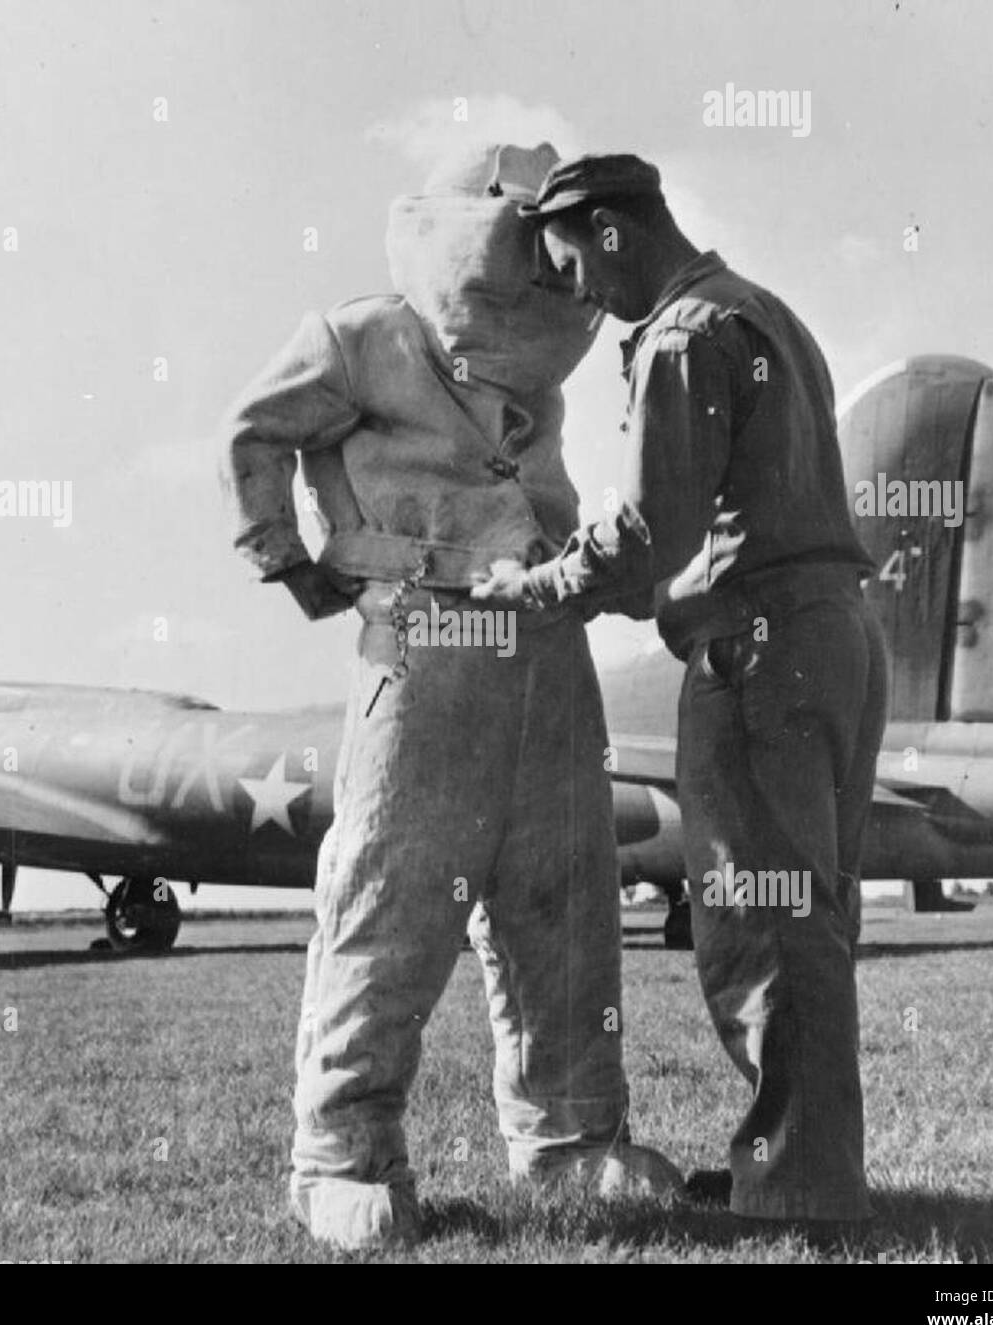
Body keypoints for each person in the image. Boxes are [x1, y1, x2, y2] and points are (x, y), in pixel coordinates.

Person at [223, 143, 680, 1252]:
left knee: (565, 890)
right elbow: (255, 430)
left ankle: (572, 1138)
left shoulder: (543, 373)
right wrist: (289, 562)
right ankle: (340, 1153)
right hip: (426, 634)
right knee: (393, 890)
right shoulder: (364, 335)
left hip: (545, 635)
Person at [474, 153, 889, 1223]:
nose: (575, 293)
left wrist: (541, 585)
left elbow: (652, 534)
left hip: (753, 653)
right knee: (811, 915)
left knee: (759, 920)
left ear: (610, 230)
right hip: (832, 635)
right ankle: (799, 1168)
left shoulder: (677, 336)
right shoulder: (764, 314)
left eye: (570, 262)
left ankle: (795, 1190)